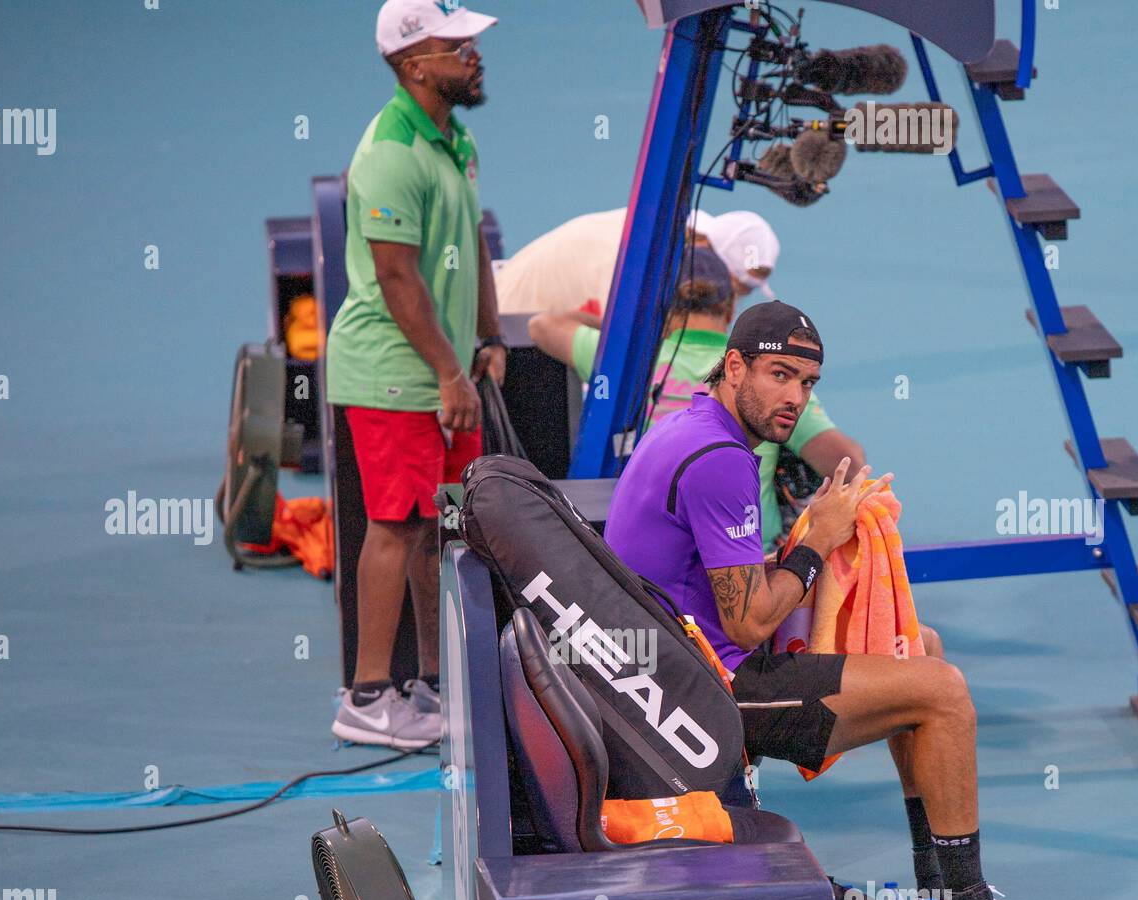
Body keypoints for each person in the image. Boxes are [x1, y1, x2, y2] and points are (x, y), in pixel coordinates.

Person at [603, 300, 1087, 900]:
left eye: (806, 383)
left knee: (917, 646)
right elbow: (745, 625)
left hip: (678, 663)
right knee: (940, 692)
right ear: (734, 366)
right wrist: (815, 542)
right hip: (702, 696)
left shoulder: (693, 425)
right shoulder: (718, 459)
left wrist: (806, 543)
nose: (794, 398)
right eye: (779, 375)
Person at [326, 0, 505, 750]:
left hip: (442, 371)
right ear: (413, 66)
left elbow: (471, 238)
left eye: (471, 42)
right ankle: (368, 697)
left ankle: (436, 682)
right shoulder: (390, 153)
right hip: (394, 375)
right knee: (397, 524)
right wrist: (447, 373)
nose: (473, 54)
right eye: (455, 45)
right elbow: (397, 280)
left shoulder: (453, 139)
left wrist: (489, 338)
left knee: (443, 528)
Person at [528, 242, 865, 550]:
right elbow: (847, 462)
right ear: (731, 305)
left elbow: (542, 325)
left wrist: (637, 327)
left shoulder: (628, 358)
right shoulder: (764, 372)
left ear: (663, 305)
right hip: (755, 555)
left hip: (661, 553)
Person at [495, 207, 780, 318]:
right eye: (726, 291)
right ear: (705, 247)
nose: (725, 305)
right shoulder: (637, 261)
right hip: (503, 334)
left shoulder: (666, 232)